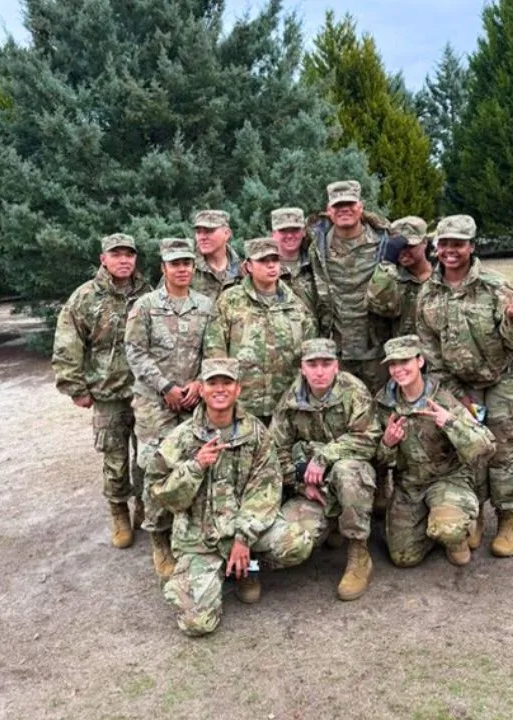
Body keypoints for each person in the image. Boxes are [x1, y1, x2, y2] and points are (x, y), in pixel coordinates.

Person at [147, 358, 319, 636]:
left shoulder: (256, 434)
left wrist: (243, 538)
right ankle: (219, 571)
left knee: (297, 543)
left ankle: (248, 567)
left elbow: (265, 488)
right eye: (212, 383)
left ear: (238, 389)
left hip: (243, 528)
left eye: (227, 383)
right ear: (201, 389)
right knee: (197, 624)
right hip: (200, 537)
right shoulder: (182, 438)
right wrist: (195, 467)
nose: (220, 389)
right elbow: (159, 492)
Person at [416, 214, 513, 557]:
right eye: (444, 244)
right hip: (462, 383)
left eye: (458, 244)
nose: (450, 250)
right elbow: (431, 352)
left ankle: (508, 518)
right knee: (469, 450)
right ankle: (476, 515)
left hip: (506, 380)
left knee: (505, 450)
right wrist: (456, 395)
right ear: (436, 247)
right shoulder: (428, 293)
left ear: (471, 246)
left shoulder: (496, 286)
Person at [52, 234, 152, 544]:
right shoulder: (86, 297)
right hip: (108, 394)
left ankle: (144, 507)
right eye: (116, 254)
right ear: (103, 259)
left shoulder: (147, 293)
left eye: (128, 254)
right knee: (114, 458)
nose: (123, 260)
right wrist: (75, 386)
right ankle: (118, 511)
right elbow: (67, 342)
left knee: (147, 456)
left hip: (145, 392)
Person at [124, 237, 214, 576]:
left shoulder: (205, 306)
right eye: (175, 264)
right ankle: (159, 538)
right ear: (163, 268)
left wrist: (200, 382)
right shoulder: (145, 306)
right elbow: (135, 351)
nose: (182, 269)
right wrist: (166, 387)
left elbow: (213, 349)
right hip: (155, 400)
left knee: (198, 460)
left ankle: (191, 531)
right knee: (155, 465)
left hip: (194, 399)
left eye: (186, 263)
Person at [267, 338, 379, 600]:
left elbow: (369, 438)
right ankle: (331, 524)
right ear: (302, 368)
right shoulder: (290, 400)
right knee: (286, 547)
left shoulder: (354, 391)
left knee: (347, 471)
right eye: (312, 364)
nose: (320, 371)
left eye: (326, 364)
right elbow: (275, 452)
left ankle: (358, 552)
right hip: (312, 487)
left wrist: (324, 457)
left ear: (336, 366)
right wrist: (301, 484)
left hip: (350, 478)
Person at [375, 336, 495, 568]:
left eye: (405, 361)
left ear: (420, 361)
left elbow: (486, 447)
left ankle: (454, 537)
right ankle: (431, 525)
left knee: (448, 529)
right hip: (410, 485)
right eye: (392, 364)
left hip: (448, 479)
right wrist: (387, 444)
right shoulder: (383, 404)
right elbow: (377, 460)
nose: (398, 369)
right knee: (404, 558)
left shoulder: (444, 398)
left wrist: (451, 423)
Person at [202, 238, 317, 426]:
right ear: (248, 266)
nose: (271, 265)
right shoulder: (230, 301)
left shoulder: (296, 306)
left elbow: (309, 355)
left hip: (286, 406)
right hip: (241, 405)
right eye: (263, 261)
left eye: (275, 260)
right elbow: (215, 350)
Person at [306, 180, 396, 393]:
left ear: (360, 207)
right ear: (329, 210)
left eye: (350, 204)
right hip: (337, 349)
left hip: (376, 348)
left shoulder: (384, 241)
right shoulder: (317, 244)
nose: (344, 209)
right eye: (338, 205)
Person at [366, 216, 434, 337]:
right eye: (397, 247)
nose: (403, 251)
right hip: (400, 346)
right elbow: (378, 306)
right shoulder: (388, 276)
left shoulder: (440, 276)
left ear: (424, 242)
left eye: (409, 246)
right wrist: (387, 262)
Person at [271, 207, 317, 319]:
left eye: (295, 230)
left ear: (304, 232)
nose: (290, 235)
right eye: (283, 230)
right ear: (273, 234)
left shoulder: (316, 265)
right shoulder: (263, 269)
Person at [189, 210, 243, 301]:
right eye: (198, 232)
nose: (202, 237)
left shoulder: (242, 269)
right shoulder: (187, 268)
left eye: (209, 231)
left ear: (227, 233)